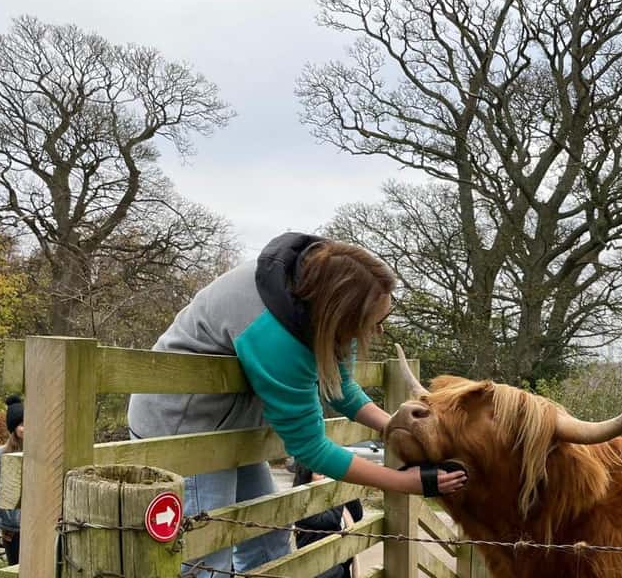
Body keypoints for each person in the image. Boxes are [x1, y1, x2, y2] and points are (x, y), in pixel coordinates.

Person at [127, 232, 467, 576]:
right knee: (206, 556)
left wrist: (397, 428)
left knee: (267, 539)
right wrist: (403, 483)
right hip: (183, 427)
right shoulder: (276, 336)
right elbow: (312, 449)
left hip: (233, 425)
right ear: (343, 313)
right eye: (372, 323)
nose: (377, 333)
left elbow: (342, 390)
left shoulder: (318, 302)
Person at [292, 465, 363, 578]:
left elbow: (357, 515)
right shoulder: (303, 505)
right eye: (320, 473)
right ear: (307, 477)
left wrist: (347, 487)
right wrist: (338, 491)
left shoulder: (330, 496)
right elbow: (330, 520)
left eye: (329, 473)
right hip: (319, 569)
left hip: (340, 564)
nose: (326, 477)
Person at [0, 395, 24, 566]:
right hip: (12, 527)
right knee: (15, 567)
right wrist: (4, 516)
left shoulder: (43, 454)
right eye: (22, 424)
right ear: (14, 428)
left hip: (40, 524)